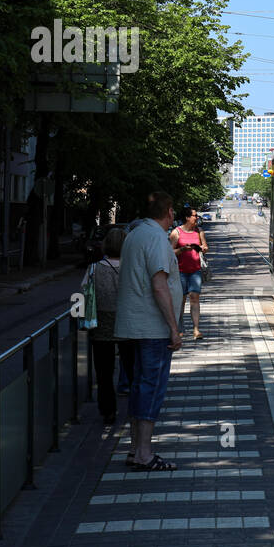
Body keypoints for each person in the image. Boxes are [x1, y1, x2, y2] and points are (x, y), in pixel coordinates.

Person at [115, 192, 183, 471]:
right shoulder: (156, 238)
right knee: (151, 388)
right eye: (173, 213)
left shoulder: (134, 233)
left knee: (138, 387)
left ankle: (135, 449)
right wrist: (173, 328)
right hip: (152, 328)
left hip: (133, 326)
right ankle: (144, 453)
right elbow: (159, 285)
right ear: (168, 212)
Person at [89, 226, 137, 424]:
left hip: (101, 325)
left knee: (104, 372)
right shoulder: (133, 267)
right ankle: (136, 410)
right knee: (133, 369)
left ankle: (108, 411)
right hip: (129, 323)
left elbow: (83, 295)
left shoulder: (94, 268)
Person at [171, 208, 209, 340]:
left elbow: (205, 247)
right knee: (180, 301)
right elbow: (169, 252)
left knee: (194, 298)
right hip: (179, 272)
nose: (196, 218)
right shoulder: (176, 232)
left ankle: (196, 329)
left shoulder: (199, 231)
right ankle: (179, 329)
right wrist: (182, 249)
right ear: (187, 217)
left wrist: (203, 248)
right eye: (194, 216)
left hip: (195, 270)